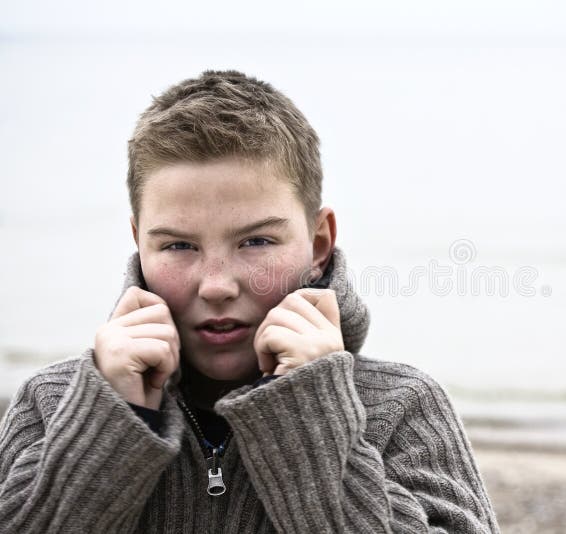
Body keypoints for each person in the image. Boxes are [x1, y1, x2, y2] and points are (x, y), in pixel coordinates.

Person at [0, 70, 500, 533]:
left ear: (318, 243)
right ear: (141, 245)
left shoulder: (401, 407)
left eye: (256, 241)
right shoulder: (51, 403)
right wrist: (108, 428)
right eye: (178, 245)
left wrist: (312, 418)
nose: (216, 285)